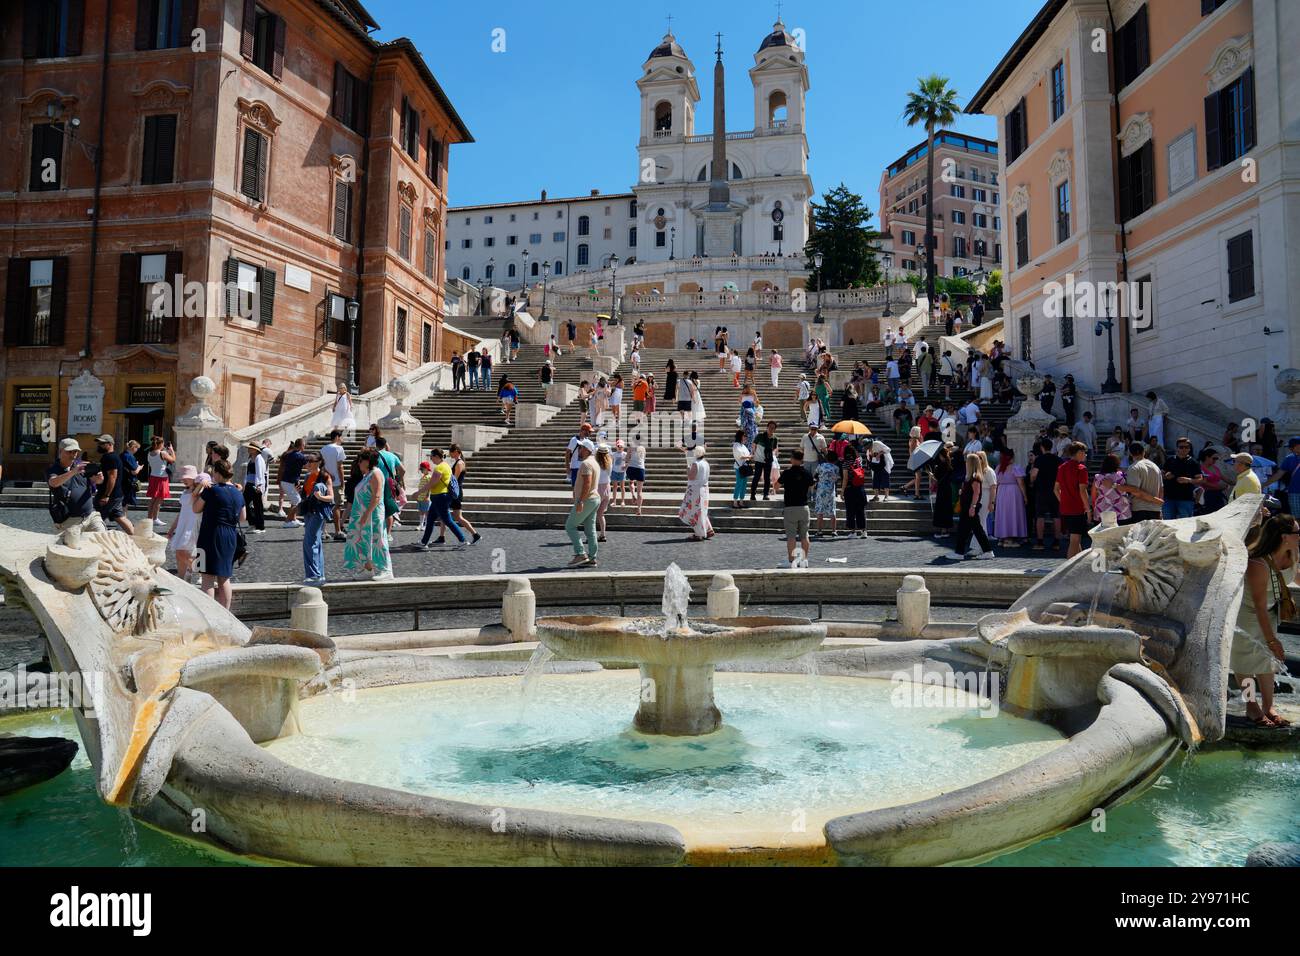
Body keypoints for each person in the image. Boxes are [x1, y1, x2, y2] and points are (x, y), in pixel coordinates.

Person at [1231, 514, 1295, 728]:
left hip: (1270, 613)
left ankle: (1269, 707)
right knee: (1246, 664)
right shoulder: (1258, 563)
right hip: (1247, 615)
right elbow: (1258, 605)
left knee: (1267, 663)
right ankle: (1251, 706)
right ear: (1284, 537)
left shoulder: (1292, 553)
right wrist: (1272, 641)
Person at [192, 460, 246, 608]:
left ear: (216, 473)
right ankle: (226, 614)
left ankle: (208, 613)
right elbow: (243, 518)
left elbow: (195, 509)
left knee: (207, 578)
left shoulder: (211, 490)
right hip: (230, 536)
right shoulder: (238, 492)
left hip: (210, 534)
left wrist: (199, 489)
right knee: (224, 577)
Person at [344, 449, 393, 578]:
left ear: (367, 461)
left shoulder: (376, 473)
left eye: (360, 461)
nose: (358, 464)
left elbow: (376, 496)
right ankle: (368, 569)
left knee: (378, 541)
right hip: (364, 515)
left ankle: (385, 570)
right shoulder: (368, 475)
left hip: (372, 515)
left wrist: (366, 514)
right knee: (365, 541)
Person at [46, 438, 104, 532]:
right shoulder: (53, 469)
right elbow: (53, 483)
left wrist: (99, 479)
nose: (73, 454)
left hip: (90, 515)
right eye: (70, 451)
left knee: (102, 539)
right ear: (61, 451)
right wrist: (73, 472)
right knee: (70, 546)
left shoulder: (82, 466)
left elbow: (96, 481)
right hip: (69, 520)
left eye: (76, 451)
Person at [299, 453, 334, 586]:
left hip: (318, 513)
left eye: (310, 462)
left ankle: (314, 575)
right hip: (308, 512)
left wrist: (320, 497)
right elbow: (307, 495)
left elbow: (330, 497)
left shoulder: (325, 476)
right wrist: (299, 492)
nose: (307, 464)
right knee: (316, 542)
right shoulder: (307, 476)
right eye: (307, 462)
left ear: (318, 463)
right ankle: (319, 574)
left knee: (309, 542)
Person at [565, 439, 601, 565]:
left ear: (586, 449)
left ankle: (580, 553)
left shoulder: (586, 464)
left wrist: (580, 501)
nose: (578, 450)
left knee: (570, 526)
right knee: (590, 530)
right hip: (595, 498)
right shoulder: (595, 463)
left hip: (586, 499)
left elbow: (587, 483)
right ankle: (592, 557)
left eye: (580, 448)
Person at [776, 450, 815, 562]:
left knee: (791, 536)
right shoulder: (807, 473)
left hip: (790, 507)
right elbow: (812, 486)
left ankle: (791, 560)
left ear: (792, 459)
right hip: (803, 507)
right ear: (802, 459)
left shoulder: (787, 473)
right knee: (804, 535)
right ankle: (804, 560)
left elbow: (776, 487)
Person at [1055, 441, 1091, 559]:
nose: (1085, 455)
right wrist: (1088, 509)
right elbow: (1082, 491)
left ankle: (1079, 563)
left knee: (1076, 538)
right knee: (1075, 539)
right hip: (1077, 508)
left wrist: (1063, 500)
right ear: (1079, 453)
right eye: (1084, 452)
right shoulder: (1081, 469)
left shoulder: (1062, 467)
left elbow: (1055, 489)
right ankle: (1067, 568)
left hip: (1065, 508)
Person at [956, 453, 995, 560]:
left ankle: (961, 552)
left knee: (974, 530)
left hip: (970, 507)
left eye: (967, 461)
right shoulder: (970, 475)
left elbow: (976, 493)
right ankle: (960, 552)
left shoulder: (975, 476)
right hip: (968, 506)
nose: (965, 463)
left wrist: (973, 506)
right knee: (972, 530)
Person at [94, 435, 134, 534]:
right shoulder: (112, 456)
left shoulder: (110, 457)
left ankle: (94, 539)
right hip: (116, 494)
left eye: (102, 444)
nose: (99, 445)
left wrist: (106, 495)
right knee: (119, 517)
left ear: (110, 444)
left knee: (95, 518)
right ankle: (135, 537)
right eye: (99, 443)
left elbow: (112, 477)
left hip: (110, 495)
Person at [168, 466, 202, 580]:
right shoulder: (185, 490)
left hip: (192, 525)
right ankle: (182, 579)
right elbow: (181, 512)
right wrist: (172, 528)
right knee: (180, 556)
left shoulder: (199, 491)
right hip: (183, 524)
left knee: (181, 553)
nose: (183, 480)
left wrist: (201, 483)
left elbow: (195, 496)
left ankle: (201, 569)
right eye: (183, 479)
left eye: (186, 478)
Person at [992, 448, 1028, 546]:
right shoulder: (1015, 467)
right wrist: (1025, 496)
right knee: (1013, 514)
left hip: (1001, 492)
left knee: (1003, 514)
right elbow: (1021, 483)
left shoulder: (998, 468)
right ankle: (1010, 539)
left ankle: (1002, 538)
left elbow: (996, 482)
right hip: (1013, 492)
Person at [1029, 439, 1061, 550]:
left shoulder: (1039, 460)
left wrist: (1032, 482)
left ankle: (1040, 542)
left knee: (1040, 516)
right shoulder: (1058, 459)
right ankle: (1056, 542)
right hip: (1055, 490)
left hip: (1041, 490)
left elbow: (1033, 474)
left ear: (1042, 447)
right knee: (1056, 516)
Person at [678, 444, 714, 541]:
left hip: (696, 490)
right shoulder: (706, 463)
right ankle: (708, 529)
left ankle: (699, 534)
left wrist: (687, 468)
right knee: (702, 511)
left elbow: (691, 476)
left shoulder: (695, 463)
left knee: (694, 511)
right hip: (705, 489)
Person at [1124, 442, 1164, 526]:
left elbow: (1136, 491)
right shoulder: (1155, 466)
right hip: (1155, 509)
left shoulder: (1133, 468)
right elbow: (1161, 489)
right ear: (1144, 452)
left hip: (1139, 509)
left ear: (1130, 454)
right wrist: (1158, 505)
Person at [373, 436, 405, 538]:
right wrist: (398, 480)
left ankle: (377, 532)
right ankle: (388, 534)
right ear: (385, 444)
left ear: (376, 444)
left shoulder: (374, 455)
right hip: (389, 483)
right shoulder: (392, 456)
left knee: (375, 506)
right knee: (389, 509)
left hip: (377, 482)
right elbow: (403, 470)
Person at [1162, 437, 1201, 519]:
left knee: (1185, 524)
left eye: (1186, 447)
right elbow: (1161, 474)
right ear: (1177, 448)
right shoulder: (1170, 460)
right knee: (1167, 524)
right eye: (1181, 447)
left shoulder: (1194, 462)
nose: (1184, 449)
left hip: (1186, 498)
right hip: (1169, 498)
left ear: (1190, 449)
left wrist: (1189, 480)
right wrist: (1166, 476)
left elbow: (1200, 479)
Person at [320, 430, 348, 541]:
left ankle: (323, 531)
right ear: (337, 437)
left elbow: (321, 465)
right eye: (341, 437)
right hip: (336, 482)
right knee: (337, 506)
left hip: (325, 480)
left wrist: (328, 474)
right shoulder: (339, 449)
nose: (342, 440)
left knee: (325, 506)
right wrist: (342, 481)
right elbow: (340, 467)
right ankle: (337, 531)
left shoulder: (323, 449)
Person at [1091, 454, 1132, 525]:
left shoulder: (1098, 477)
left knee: (1102, 534)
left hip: (1102, 511)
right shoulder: (1121, 476)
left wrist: (1094, 507)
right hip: (1121, 511)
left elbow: (1093, 495)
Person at [144, 435, 175, 527]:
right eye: (163, 443)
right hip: (161, 478)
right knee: (159, 500)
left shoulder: (149, 453)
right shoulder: (163, 453)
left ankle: (149, 518)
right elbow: (173, 460)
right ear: (160, 444)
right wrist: (172, 451)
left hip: (153, 477)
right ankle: (155, 518)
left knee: (153, 499)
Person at [841, 445, 868, 538]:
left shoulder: (845, 463)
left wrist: (842, 491)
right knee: (860, 510)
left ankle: (853, 532)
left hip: (849, 489)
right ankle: (864, 531)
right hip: (860, 488)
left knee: (850, 511)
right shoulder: (858, 461)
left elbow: (845, 478)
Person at [929, 444, 956, 539]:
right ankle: (946, 530)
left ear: (941, 456)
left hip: (942, 489)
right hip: (948, 488)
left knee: (941, 509)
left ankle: (943, 531)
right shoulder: (950, 464)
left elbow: (936, 479)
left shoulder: (940, 466)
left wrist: (931, 474)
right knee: (947, 509)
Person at [279, 439, 307, 527]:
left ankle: (293, 519)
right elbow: (307, 466)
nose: (304, 447)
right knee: (297, 500)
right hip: (289, 481)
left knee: (294, 500)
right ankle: (287, 521)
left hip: (287, 480)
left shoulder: (289, 454)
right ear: (301, 445)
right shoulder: (300, 456)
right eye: (304, 445)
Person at [243, 439, 268, 534]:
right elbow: (248, 473)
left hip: (255, 485)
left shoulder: (259, 458)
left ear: (255, 449)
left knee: (258, 506)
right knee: (244, 503)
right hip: (249, 484)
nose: (249, 449)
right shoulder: (251, 459)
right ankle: (252, 523)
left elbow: (260, 473)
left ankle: (260, 526)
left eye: (251, 448)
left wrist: (259, 485)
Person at [594, 444, 614, 541]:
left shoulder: (595, 462)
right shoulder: (609, 462)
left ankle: (592, 536)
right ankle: (603, 534)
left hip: (597, 487)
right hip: (607, 487)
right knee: (601, 514)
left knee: (592, 514)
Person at [731, 429, 753, 509]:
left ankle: (741, 501)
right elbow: (740, 456)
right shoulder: (736, 445)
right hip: (739, 467)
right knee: (739, 484)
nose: (745, 437)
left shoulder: (743, 445)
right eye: (744, 436)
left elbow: (747, 455)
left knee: (744, 484)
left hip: (744, 467)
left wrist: (749, 456)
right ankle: (735, 502)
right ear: (740, 436)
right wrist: (749, 457)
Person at [627, 436, 647, 516]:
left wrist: (624, 461)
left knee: (631, 482)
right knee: (640, 491)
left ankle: (633, 494)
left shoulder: (631, 447)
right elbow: (644, 459)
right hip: (640, 468)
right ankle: (639, 509)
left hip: (631, 467)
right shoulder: (643, 448)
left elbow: (627, 458)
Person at [121, 440, 143, 510]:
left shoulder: (122, 455)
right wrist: (139, 467)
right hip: (128, 481)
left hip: (122, 480)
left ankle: (124, 517)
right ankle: (124, 518)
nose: (137, 450)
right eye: (137, 448)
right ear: (133, 447)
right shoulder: (130, 456)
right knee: (125, 502)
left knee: (123, 501)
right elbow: (134, 472)